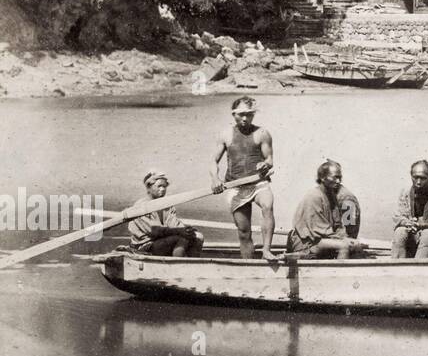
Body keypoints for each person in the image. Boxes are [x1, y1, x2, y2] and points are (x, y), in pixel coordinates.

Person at [211, 96, 275, 260]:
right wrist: (215, 179)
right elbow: (213, 161)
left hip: (258, 183)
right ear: (233, 114)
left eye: (249, 114)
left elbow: (269, 159)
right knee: (244, 232)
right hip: (236, 186)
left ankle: (267, 250)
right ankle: (248, 265)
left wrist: (265, 165)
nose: (245, 118)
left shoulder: (262, 133)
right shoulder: (225, 134)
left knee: (267, 206)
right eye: (241, 114)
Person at [286, 161, 367, 259]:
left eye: (340, 177)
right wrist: (343, 239)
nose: (338, 181)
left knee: (354, 246)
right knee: (344, 246)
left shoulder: (337, 196)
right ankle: (339, 272)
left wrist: (347, 238)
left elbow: (342, 226)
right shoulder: (314, 196)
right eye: (335, 177)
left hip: (321, 238)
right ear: (322, 178)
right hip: (307, 243)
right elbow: (318, 231)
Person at [126, 172, 204, 257]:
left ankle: (192, 265)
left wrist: (186, 229)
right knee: (181, 239)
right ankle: (177, 267)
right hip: (145, 246)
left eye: (164, 186)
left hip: (162, 242)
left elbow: (174, 223)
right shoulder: (140, 207)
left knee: (197, 237)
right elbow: (154, 230)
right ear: (149, 187)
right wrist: (180, 231)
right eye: (159, 186)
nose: (163, 189)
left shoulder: (167, 205)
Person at [392, 159, 428, 258]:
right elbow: (398, 216)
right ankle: (396, 266)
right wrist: (408, 223)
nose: (418, 182)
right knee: (400, 232)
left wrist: (424, 225)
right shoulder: (406, 192)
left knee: (427, 234)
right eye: (415, 177)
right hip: (413, 231)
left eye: (423, 178)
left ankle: (419, 268)